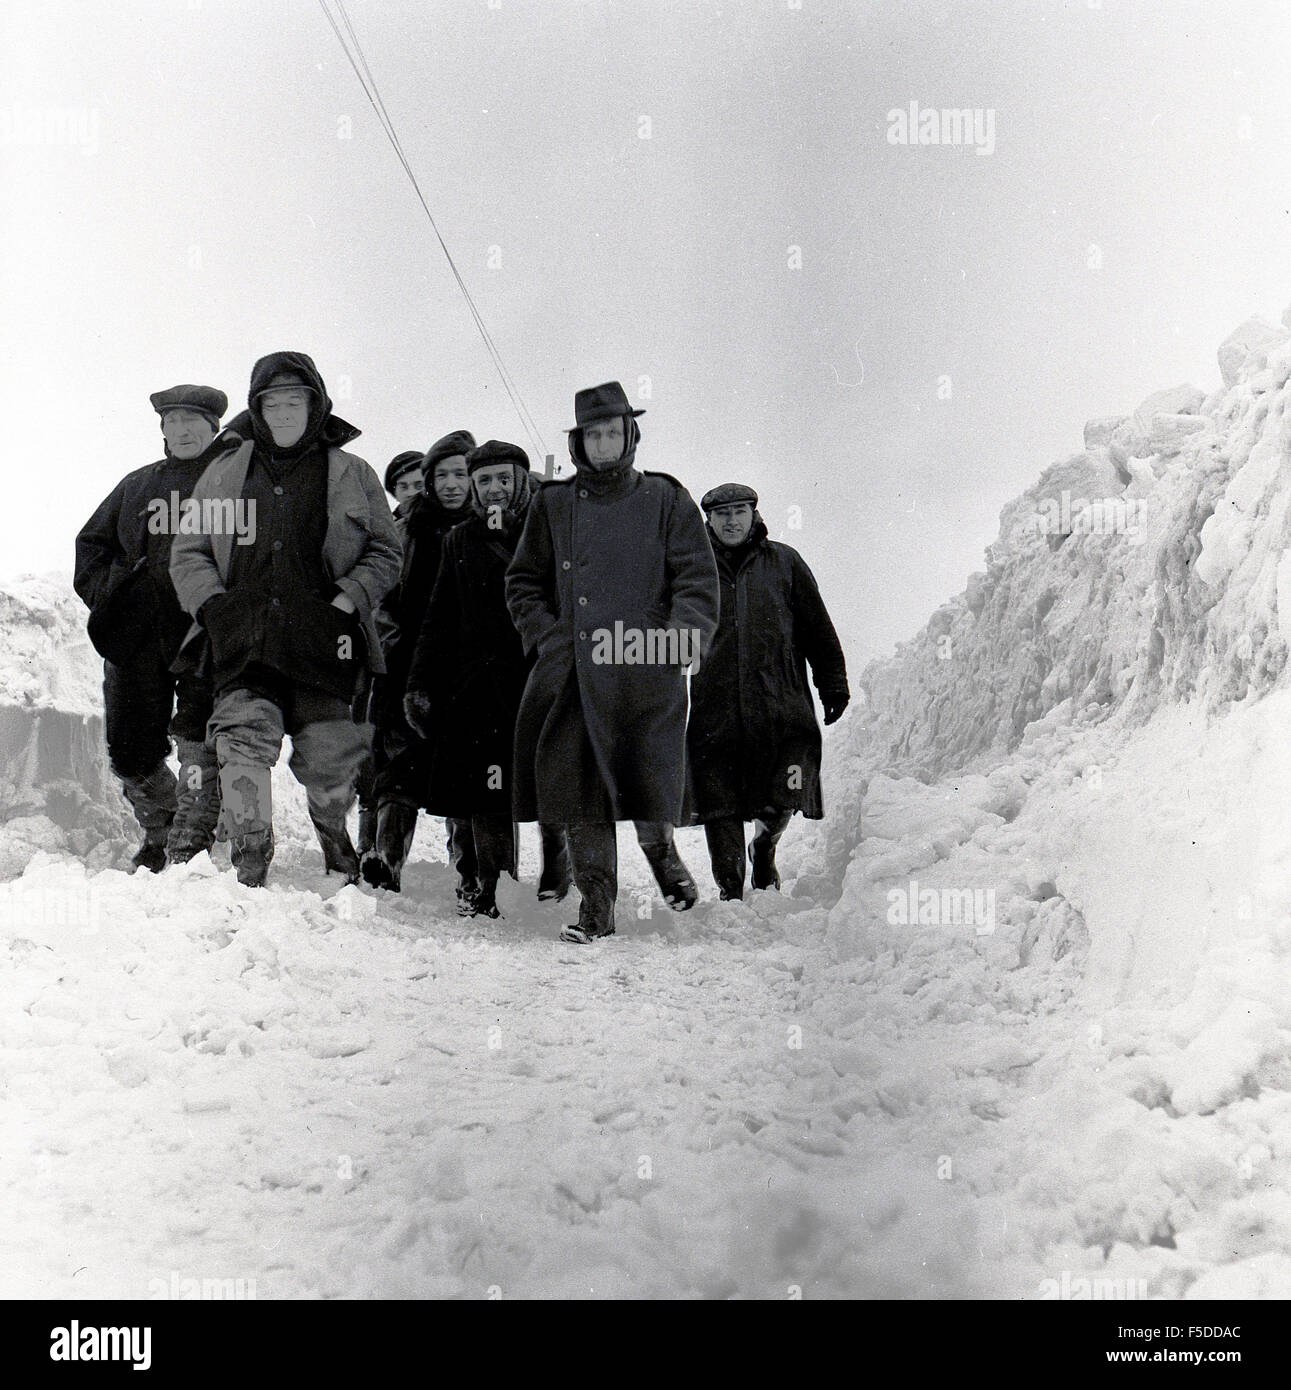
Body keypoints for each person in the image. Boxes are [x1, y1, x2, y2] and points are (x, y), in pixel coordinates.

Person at [169, 351, 401, 888]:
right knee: (241, 741)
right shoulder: (225, 470)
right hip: (245, 637)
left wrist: (348, 599)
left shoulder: (352, 472)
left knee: (329, 760)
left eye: (295, 401)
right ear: (257, 409)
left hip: (325, 638)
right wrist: (213, 605)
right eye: (271, 403)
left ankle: (333, 837)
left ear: (316, 404)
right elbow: (190, 551)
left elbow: (386, 551)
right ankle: (252, 855)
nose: (283, 413)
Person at [506, 381, 719, 943]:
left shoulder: (667, 499)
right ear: (578, 443)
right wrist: (548, 637)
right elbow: (523, 581)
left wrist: (680, 640)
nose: (603, 443)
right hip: (573, 669)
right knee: (579, 786)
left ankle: (663, 853)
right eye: (592, 434)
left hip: (645, 663)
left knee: (646, 774)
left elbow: (696, 580)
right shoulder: (552, 504)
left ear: (630, 435)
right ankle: (596, 905)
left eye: (612, 432)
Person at [403, 440, 571, 917]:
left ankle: (558, 875)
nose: (493, 489)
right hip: (479, 686)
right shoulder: (460, 540)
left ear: (521, 481)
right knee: (486, 791)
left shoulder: (553, 531)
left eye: (503, 479)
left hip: (541, 676)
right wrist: (419, 683)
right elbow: (440, 618)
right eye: (484, 480)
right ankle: (493, 883)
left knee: (549, 780)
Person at [74, 383, 233, 871]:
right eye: (172, 421)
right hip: (139, 636)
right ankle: (160, 826)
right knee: (129, 750)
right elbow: (91, 548)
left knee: (198, 746)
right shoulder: (138, 484)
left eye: (194, 421)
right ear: (162, 428)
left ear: (214, 427)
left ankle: (190, 841)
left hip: (207, 636)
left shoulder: (238, 485)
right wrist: (115, 596)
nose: (182, 430)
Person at [687, 483, 849, 898]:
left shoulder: (785, 562)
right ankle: (731, 892)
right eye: (721, 514)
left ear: (754, 514)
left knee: (784, 791)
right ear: (708, 520)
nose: (731, 520)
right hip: (714, 708)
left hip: (781, 705)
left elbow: (818, 628)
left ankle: (764, 845)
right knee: (719, 804)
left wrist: (832, 683)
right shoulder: (692, 569)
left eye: (739, 511)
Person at [361, 430, 476, 892]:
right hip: (409, 666)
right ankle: (387, 861)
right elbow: (384, 598)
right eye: (441, 475)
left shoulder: (491, 528)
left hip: (471, 670)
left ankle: (477, 872)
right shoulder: (408, 530)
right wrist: (390, 649)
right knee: (400, 765)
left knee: (470, 769)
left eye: (461, 473)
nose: (451, 484)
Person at [354, 449, 427, 863]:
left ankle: (463, 853)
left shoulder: (435, 528)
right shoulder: (385, 532)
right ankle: (373, 847)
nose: (413, 492)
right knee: (373, 749)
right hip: (379, 652)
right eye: (404, 486)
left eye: (420, 483)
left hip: (417, 654)